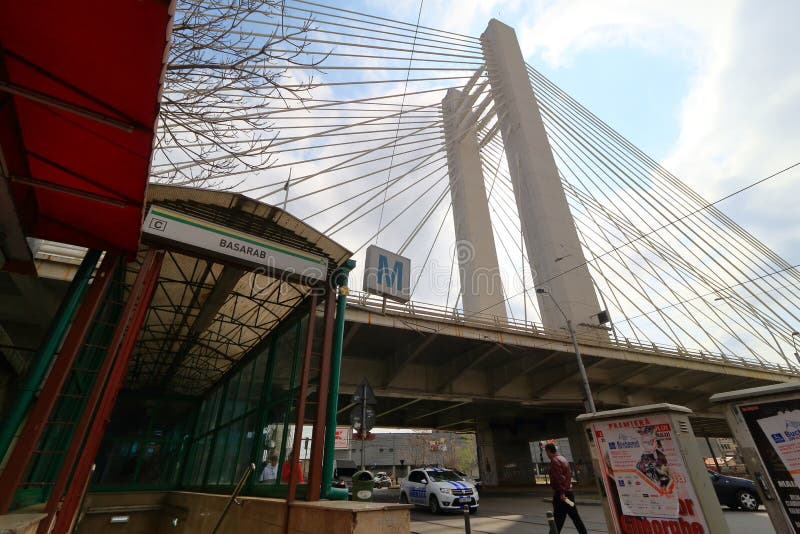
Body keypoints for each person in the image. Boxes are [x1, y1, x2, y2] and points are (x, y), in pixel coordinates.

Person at [546, 443, 587, 534]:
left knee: (557, 520)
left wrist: (561, 493)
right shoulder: (563, 458)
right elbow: (567, 476)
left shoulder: (555, 461)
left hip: (561, 495)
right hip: (569, 494)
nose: (547, 455)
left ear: (548, 451)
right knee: (575, 517)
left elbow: (559, 478)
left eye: (546, 452)